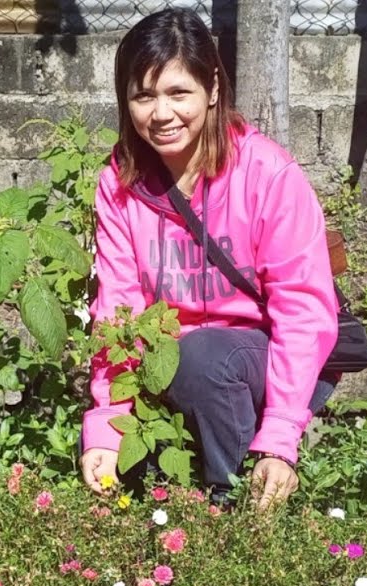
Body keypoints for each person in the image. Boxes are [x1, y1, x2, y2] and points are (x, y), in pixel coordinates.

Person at [79, 8, 339, 511]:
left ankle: (235, 503)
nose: (161, 113)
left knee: (201, 357)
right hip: (178, 364)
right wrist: (107, 427)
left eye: (179, 93)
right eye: (143, 95)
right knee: (187, 361)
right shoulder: (120, 183)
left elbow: (301, 309)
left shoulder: (266, 174)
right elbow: (118, 310)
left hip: (264, 359)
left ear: (213, 89)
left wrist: (281, 436)